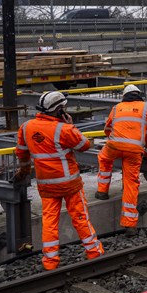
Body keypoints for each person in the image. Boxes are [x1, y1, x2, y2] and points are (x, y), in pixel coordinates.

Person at [14, 91, 104, 270]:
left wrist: (24, 170)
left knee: (49, 221)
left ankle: (50, 261)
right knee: (80, 217)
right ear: (59, 109)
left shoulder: (26, 127)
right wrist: (70, 125)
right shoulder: (63, 129)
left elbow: (22, 153)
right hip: (69, 184)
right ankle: (94, 253)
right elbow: (84, 145)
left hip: (46, 185)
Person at [95, 83, 147, 233]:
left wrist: (117, 137)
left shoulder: (116, 108)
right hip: (134, 151)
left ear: (124, 96)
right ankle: (129, 224)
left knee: (104, 158)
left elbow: (107, 129)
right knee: (131, 183)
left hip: (114, 146)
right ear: (138, 95)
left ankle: (102, 191)